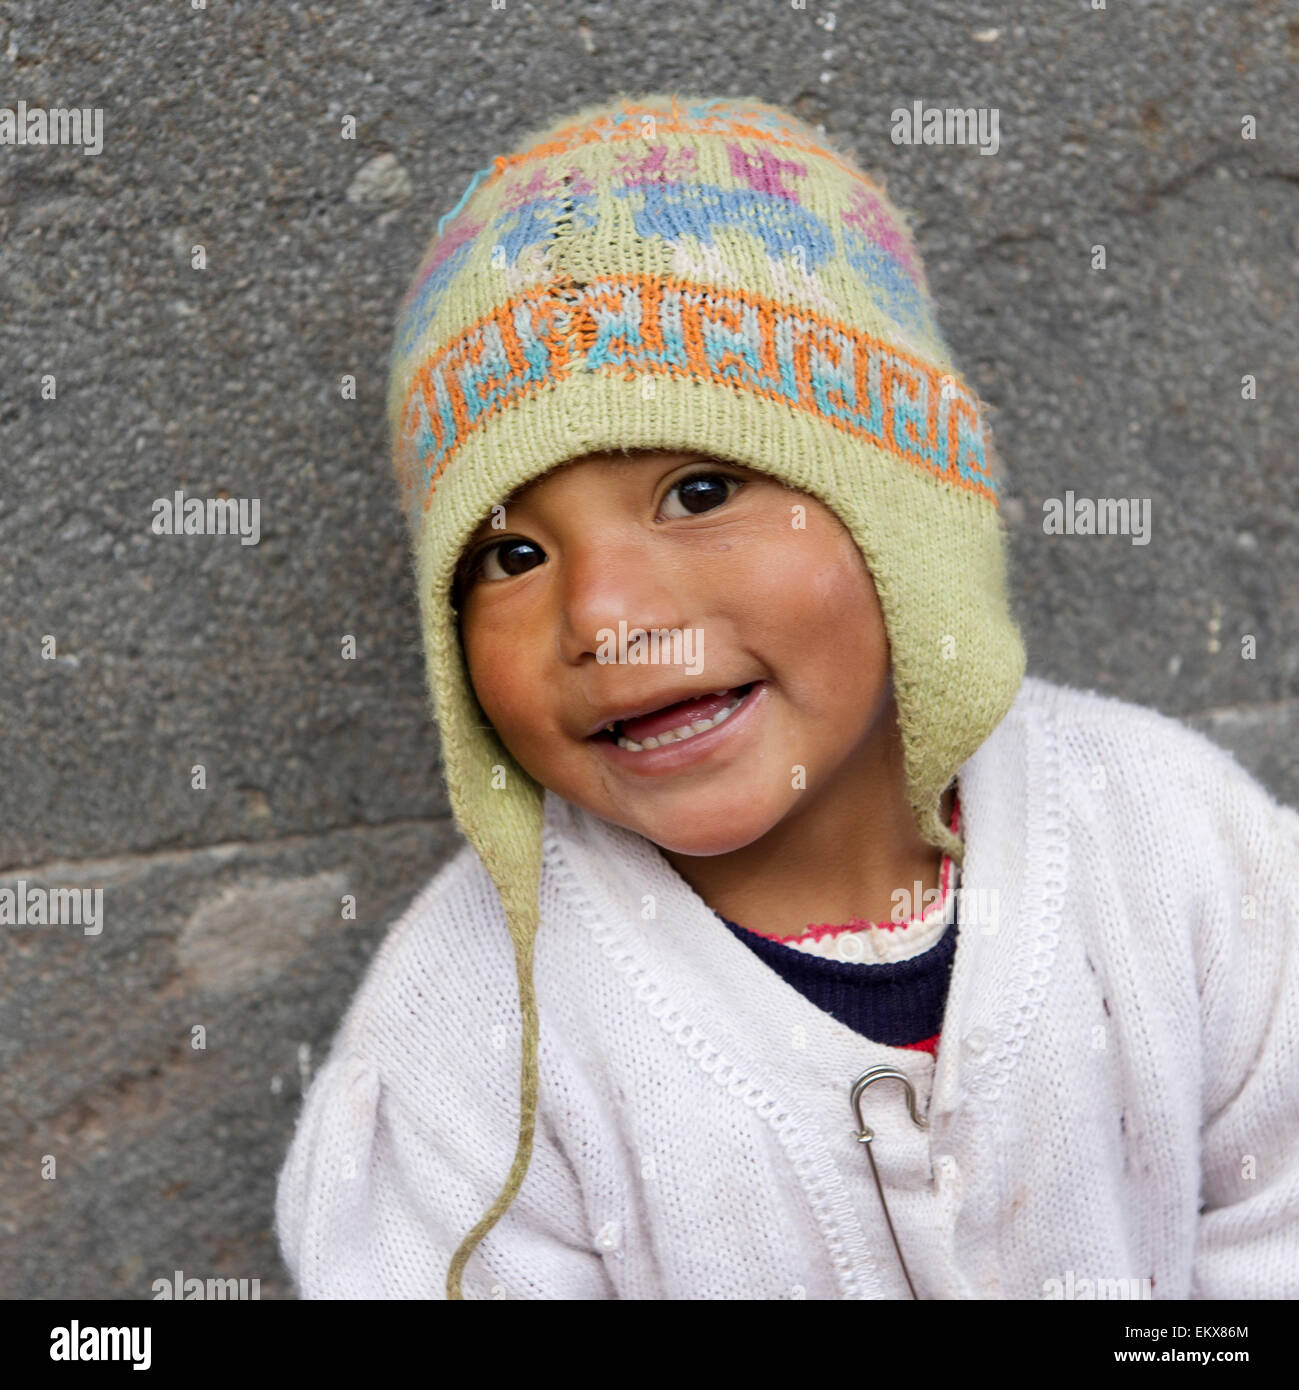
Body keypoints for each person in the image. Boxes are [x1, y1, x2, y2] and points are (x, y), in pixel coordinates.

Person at [274, 92, 1299, 1300]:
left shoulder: (1173, 846)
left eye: (700, 492)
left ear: (908, 515)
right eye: (511, 555)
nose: (602, 615)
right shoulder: (471, 1040)